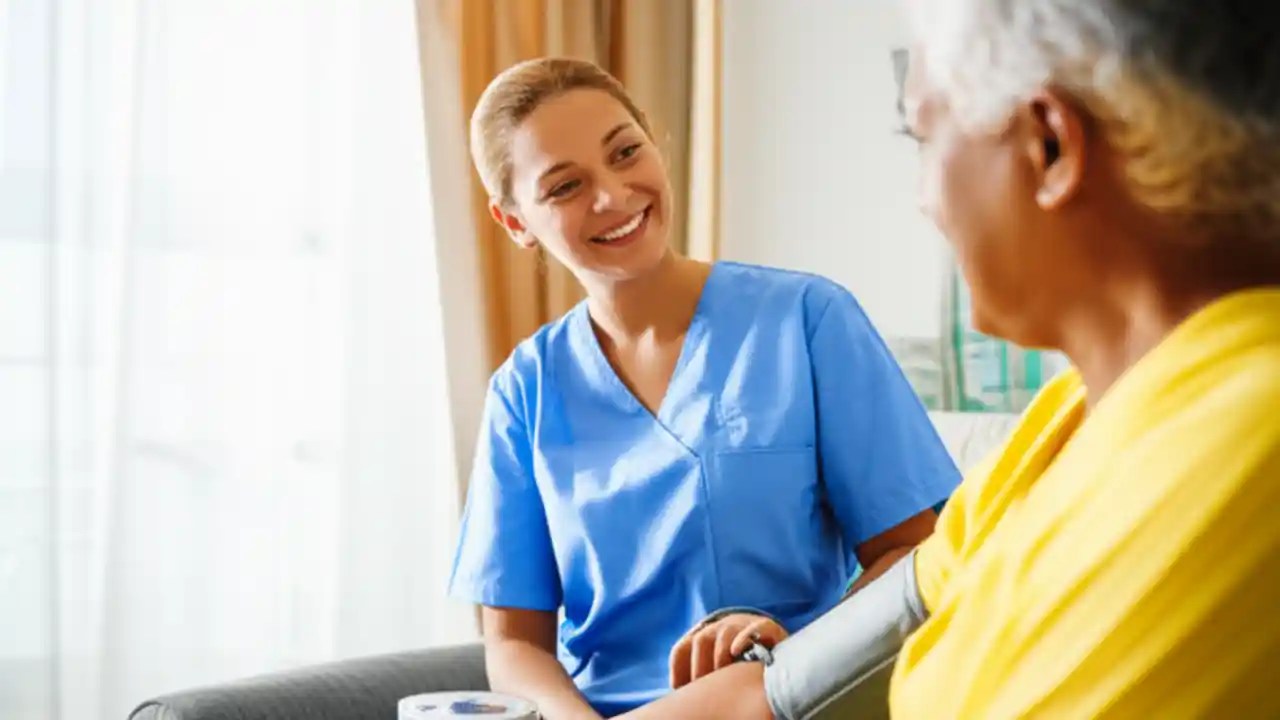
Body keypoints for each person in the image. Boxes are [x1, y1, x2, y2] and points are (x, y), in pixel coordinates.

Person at [620, 0, 1280, 718]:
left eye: (923, 137)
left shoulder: (1247, 435)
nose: (925, 201)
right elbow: (778, 690)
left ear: (1049, 145)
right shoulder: (1069, 418)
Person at [446, 58, 959, 719]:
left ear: (654, 143)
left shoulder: (806, 321)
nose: (612, 195)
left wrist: (797, 653)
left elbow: (914, 558)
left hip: (780, 699)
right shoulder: (526, 390)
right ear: (515, 222)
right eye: (566, 186)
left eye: (625, 152)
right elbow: (514, 640)